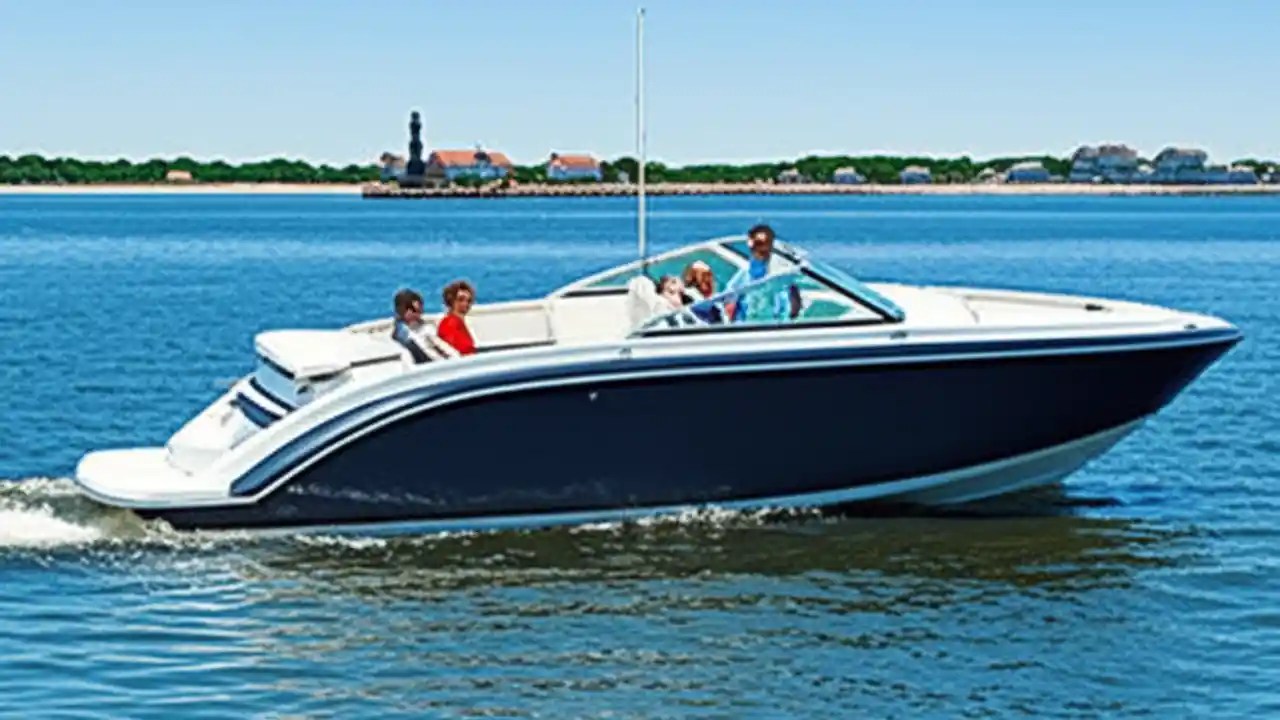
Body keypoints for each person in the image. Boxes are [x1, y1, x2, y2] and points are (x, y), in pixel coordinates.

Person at [722, 223, 799, 322]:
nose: (763, 249)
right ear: (751, 245)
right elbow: (728, 305)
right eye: (759, 243)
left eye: (767, 243)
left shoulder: (781, 276)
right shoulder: (743, 276)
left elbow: (793, 308)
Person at [437, 279, 477, 355]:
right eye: (461, 299)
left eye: (469, 300)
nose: (465, 303)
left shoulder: (460, 323)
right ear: (451, 300)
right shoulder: (449, 324)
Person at [391, 288, 431, 363]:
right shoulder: (405, 336)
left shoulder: (412, 328)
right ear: (402, 310)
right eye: (415, 311)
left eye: (420, 311)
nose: (419, 315)